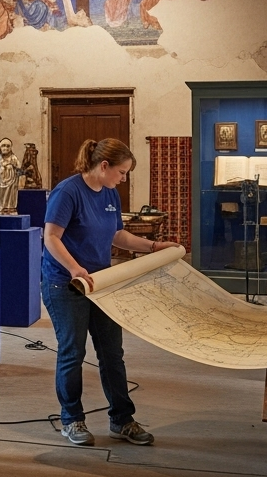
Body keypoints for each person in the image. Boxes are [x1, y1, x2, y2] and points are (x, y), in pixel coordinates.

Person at [42, 138, 182, 447]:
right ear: (103, 166)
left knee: (111, 353)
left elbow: (117, 233)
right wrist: (74, 267)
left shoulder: (110, 194)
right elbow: (51, 237)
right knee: (72, 352)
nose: (124, 178)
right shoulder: (68, 192)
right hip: (66, 284)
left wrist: (155, 247)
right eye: (121, 172)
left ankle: (122, 420)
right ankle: (72, 419)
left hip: (101, 284)